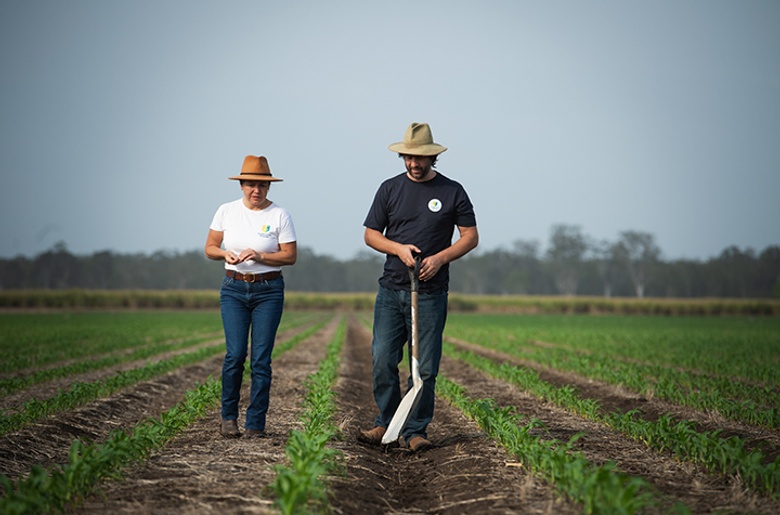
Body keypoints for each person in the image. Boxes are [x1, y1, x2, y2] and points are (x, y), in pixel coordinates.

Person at [359, 122, 478, 452]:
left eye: (420, 158)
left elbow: (470, 236)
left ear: (432, 157)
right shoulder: (389, 189)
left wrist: (440, 258)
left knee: (424, 368)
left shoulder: (452, 191)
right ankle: (386, 422)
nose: (413, 163)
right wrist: (397, 249)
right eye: (408, 158)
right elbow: (371, 235)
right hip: (391, 290)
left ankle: (414, 430)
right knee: (382, 359)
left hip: (430, 294)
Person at [205, 155, 297, 438]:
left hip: (268, 291)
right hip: (233, 289)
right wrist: (224, 253)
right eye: (250, 184)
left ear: (269, 187)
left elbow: (290, 256)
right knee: (234, 355)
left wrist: (260, 255)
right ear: (241, 185)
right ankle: (228, 418)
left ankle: (255, 423)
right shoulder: (226, 211)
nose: (256, 190)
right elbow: (210, 247)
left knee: (260, 359)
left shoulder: (279, 215)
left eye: (262, 185)